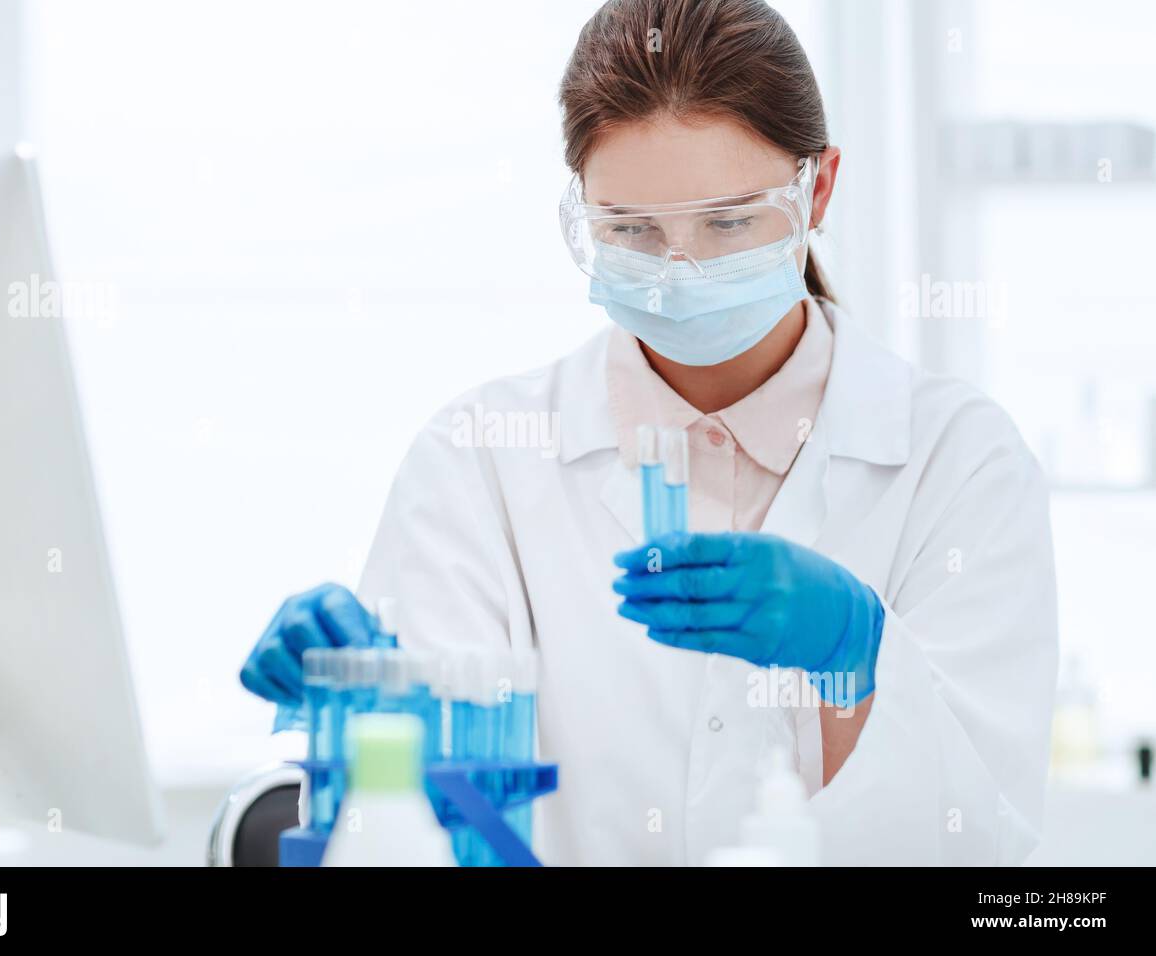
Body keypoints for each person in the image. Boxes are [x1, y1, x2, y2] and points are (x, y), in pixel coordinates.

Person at [240, 0, 1057, 865]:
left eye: (730, 221)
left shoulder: (960, 465)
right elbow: (410, 826)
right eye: (630, 231)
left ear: (818, 187)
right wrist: (368, 712)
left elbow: (985, 856)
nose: (678, 272)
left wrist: (857, 660)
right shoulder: (479, 461)